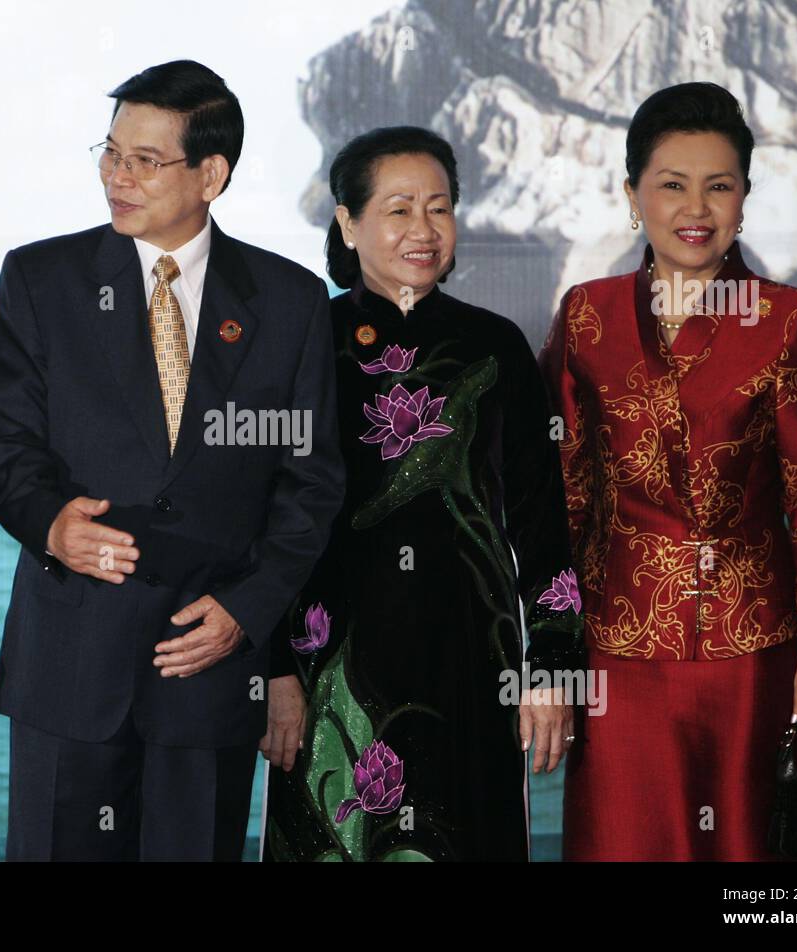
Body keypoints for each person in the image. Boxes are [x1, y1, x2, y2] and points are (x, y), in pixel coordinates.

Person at [0, 60, 344, 861]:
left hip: (208, 665)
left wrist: (248, 611)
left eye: (145, 161)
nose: (118, 177)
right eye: (110, 154)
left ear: (211, 174)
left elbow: (309, 485)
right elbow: (4, 439)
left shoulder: (288, 301)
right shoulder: (42, 279)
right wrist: (48, 524)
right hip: (70, 662)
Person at [539, 82, 797, 861]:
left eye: (719, 185)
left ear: (744, 199)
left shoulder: (793, 318)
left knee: (746, 849)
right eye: (672, 184)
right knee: (622, 842)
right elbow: (564, 492)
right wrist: (550, 649)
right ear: (633, 196)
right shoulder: (585, 316)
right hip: (616, 647)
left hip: (755, 649)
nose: (697, 206)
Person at [261, 126, 583, 862]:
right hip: (330, 663)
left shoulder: (495, 346)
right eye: (399, 208)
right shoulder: (304, 343)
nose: (423, 230)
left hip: (473, 660)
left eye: (440, 208)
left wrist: (554, 669)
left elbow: (541, 525)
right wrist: (271, 669)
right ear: (348, 220)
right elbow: (265, 519)